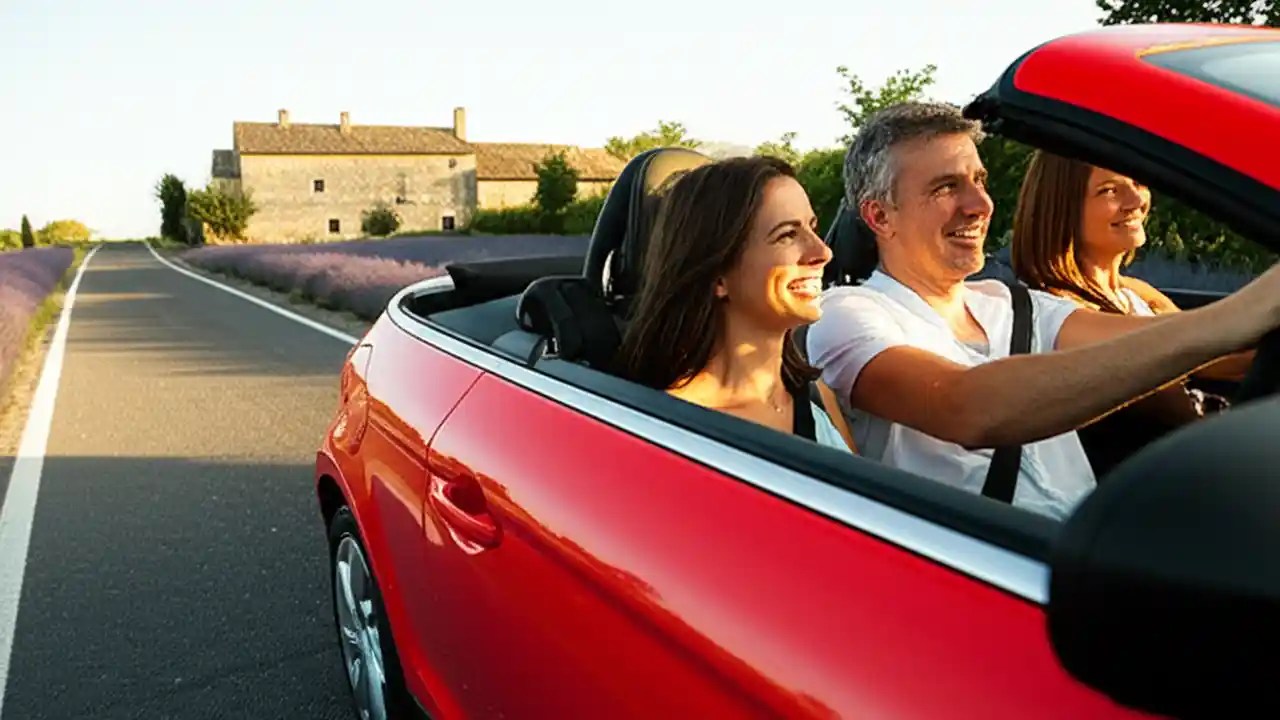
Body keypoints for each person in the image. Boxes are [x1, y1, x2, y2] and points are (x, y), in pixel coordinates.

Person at [805, 101, 1280, 519]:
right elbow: (966, 407)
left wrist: (1256, 318)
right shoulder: (848, 313)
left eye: (979, 181)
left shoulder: (1017, 304)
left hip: (1081, 554)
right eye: (946, 187)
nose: (981, 204)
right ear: (880, 217)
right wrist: (1238, 315)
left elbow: (1166, 343)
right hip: (982, 578)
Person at [1009, 151, 1238, 475]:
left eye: (1138, 181)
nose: (1135, 200)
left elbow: (1219, 357)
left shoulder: (1133, 292)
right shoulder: (1061, 315)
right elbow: (1180, 391)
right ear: (1064, 208)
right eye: (1109, 190)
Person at [613, 155, 857, 453]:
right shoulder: (668, 430)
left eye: (812, 227)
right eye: (787, 235)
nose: (823, 252)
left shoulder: (816, 396)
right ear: (718, 277)